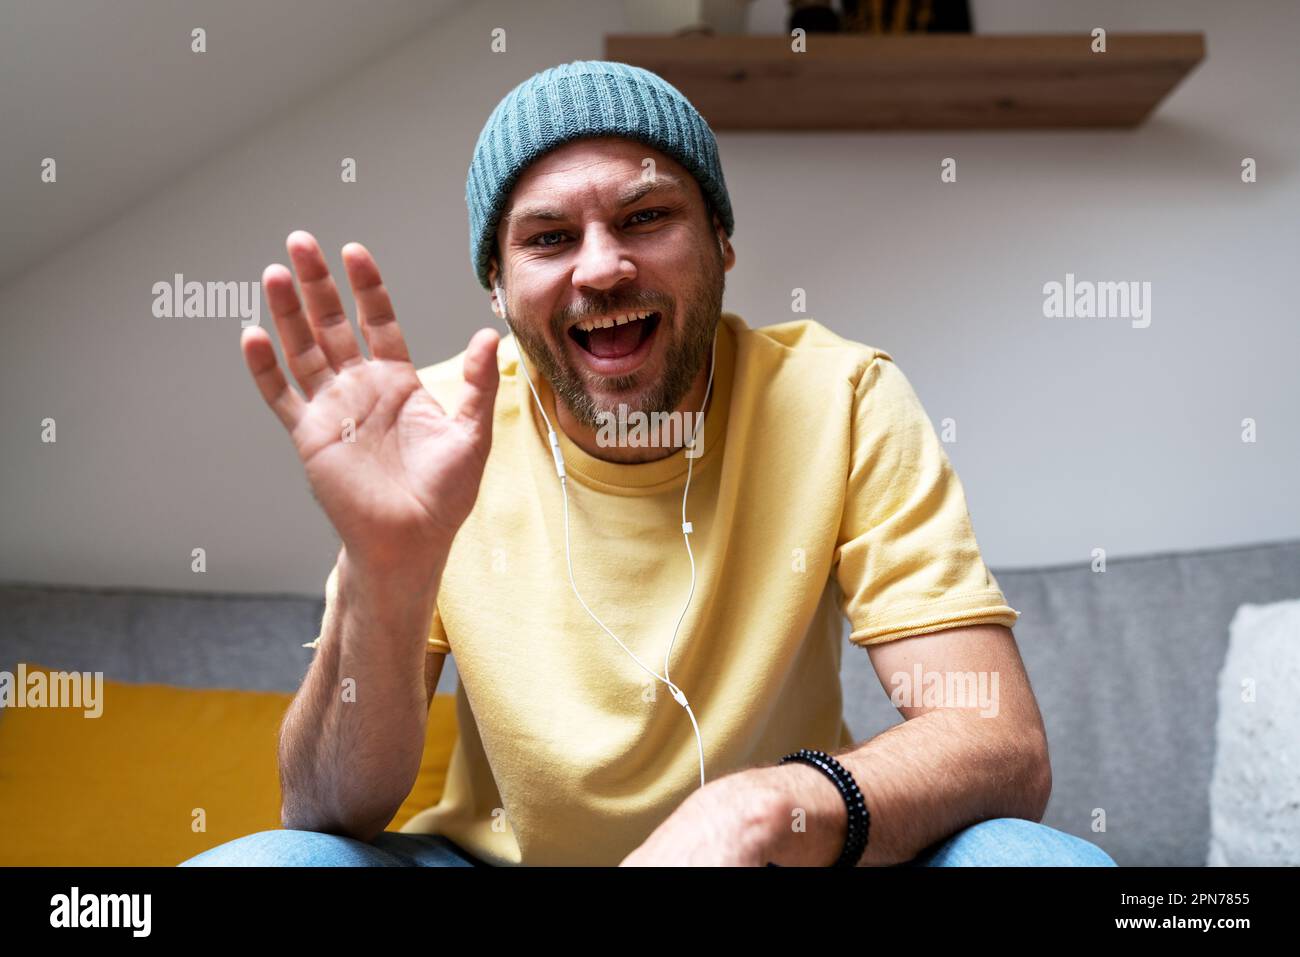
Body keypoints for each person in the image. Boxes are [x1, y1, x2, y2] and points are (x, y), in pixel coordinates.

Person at [182, 61, 1115, 868]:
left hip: (775, 854)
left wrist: (756, 807)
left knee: (1030, 858)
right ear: (501, 290)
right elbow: (325, 809)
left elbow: (1002, 744)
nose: (601, 268)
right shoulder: (431, 431)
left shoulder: (842, 397)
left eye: (647, 215)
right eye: (548, 238)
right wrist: (391, 570)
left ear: (722, 241)